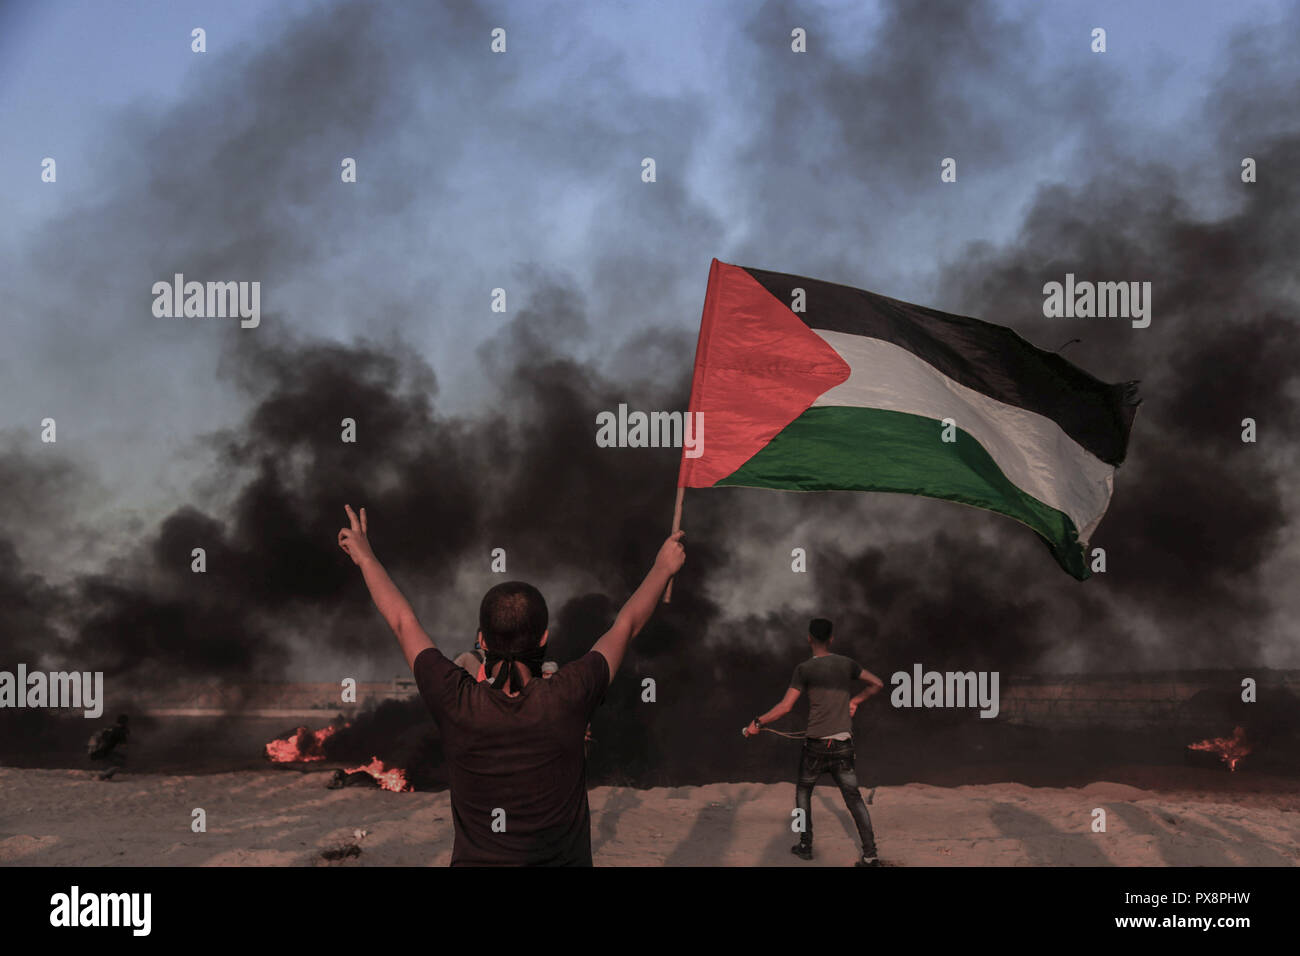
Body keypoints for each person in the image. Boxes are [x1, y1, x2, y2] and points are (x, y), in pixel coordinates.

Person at [338, 504, 684, 865]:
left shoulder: (456, 699)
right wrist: (663, 568)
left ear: (482, 642)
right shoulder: (568, 694)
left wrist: (366, 558)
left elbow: (402, 621)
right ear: (544, 639)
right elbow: (625, 626)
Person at [745, 618, 885, 867]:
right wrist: (855, 701)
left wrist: (758, 723)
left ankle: (805, 845)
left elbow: (785, 707)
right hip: (843, 745)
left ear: (809, 638)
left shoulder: (804, 669)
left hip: (816, 746)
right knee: (854, 800)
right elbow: (877, 684)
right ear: (832, 639)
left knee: (802, 794)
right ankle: (870, 854)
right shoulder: (847, 664)